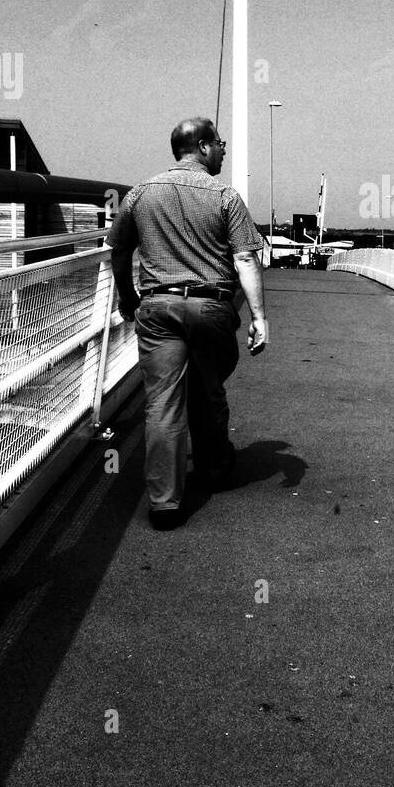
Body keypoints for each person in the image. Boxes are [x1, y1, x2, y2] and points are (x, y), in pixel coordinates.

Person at [107, 116, 268, 530]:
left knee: (162, 402)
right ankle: (213, 468)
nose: (224, 149)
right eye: (220, 143)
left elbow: (119, 251)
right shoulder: (225, 196)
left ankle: (165, 502)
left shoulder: (141, 193)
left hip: (157, 307)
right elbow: (245, 258)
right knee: (208, 388)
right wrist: (258, 316)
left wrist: (128, 297)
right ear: (202, 147)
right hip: (211, 308)